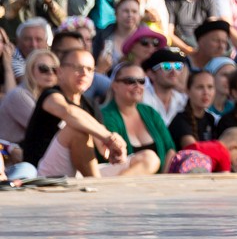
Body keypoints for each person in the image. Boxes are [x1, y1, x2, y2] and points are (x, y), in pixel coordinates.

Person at [26, 47, 146, 178]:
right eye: (77, 67)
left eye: (89, 69)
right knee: (76, 130)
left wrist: (114, 149)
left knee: (148, 158)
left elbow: (102, 146)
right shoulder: (50, 96)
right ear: (60, 72)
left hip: (81, 173)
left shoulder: (91, 104)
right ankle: (98, 188)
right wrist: (108, 136)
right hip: (43, 174)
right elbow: (69, 112)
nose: (84, 73)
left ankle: (114, 188)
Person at [98, 58, 173, 175]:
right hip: (120, 183)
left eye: (142, 81)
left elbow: (170, 149)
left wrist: (163, 179)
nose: (137, 85)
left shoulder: (150, 112)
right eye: (130, 81)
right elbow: (113, 157)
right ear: (115, 85)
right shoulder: (105, 115)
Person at [169, 67, 224, 147]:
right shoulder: (180, 120)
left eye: (210, 87)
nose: (206, 92)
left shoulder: (210, 119)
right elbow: (194, 149)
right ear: (187, 91)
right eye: (200, 87)